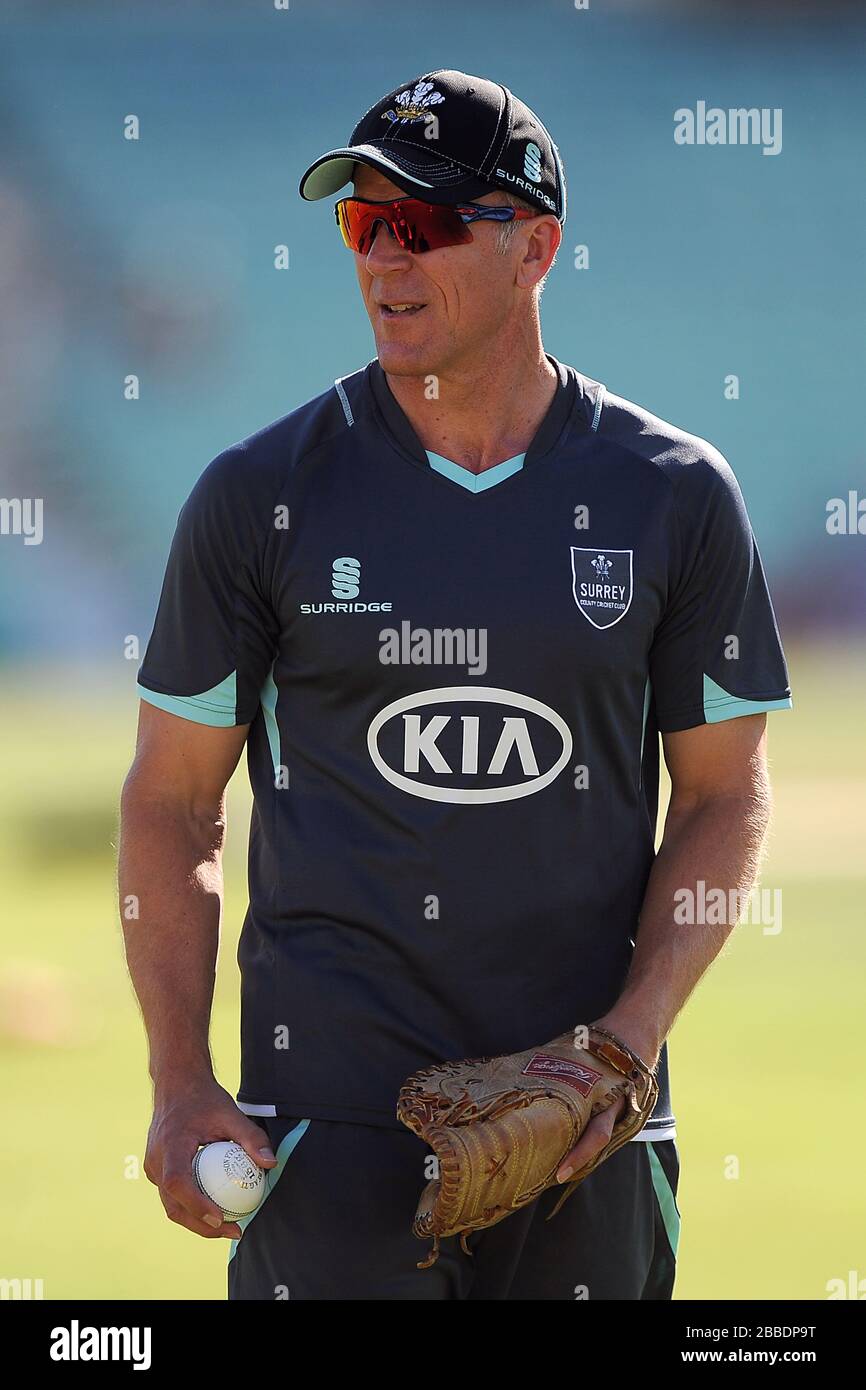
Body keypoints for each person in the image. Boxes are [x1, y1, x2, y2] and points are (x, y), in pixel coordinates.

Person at [119, 69, 792, 1301]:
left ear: (534, 247)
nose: (385, 258)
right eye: (360, 224)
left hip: (590, 1118)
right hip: (323, 1126)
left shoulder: (674, 494)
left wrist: (626, 1045)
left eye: (422, 222)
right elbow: (170, 802)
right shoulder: (254, 495)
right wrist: (178, 1077)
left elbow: (720, 797)